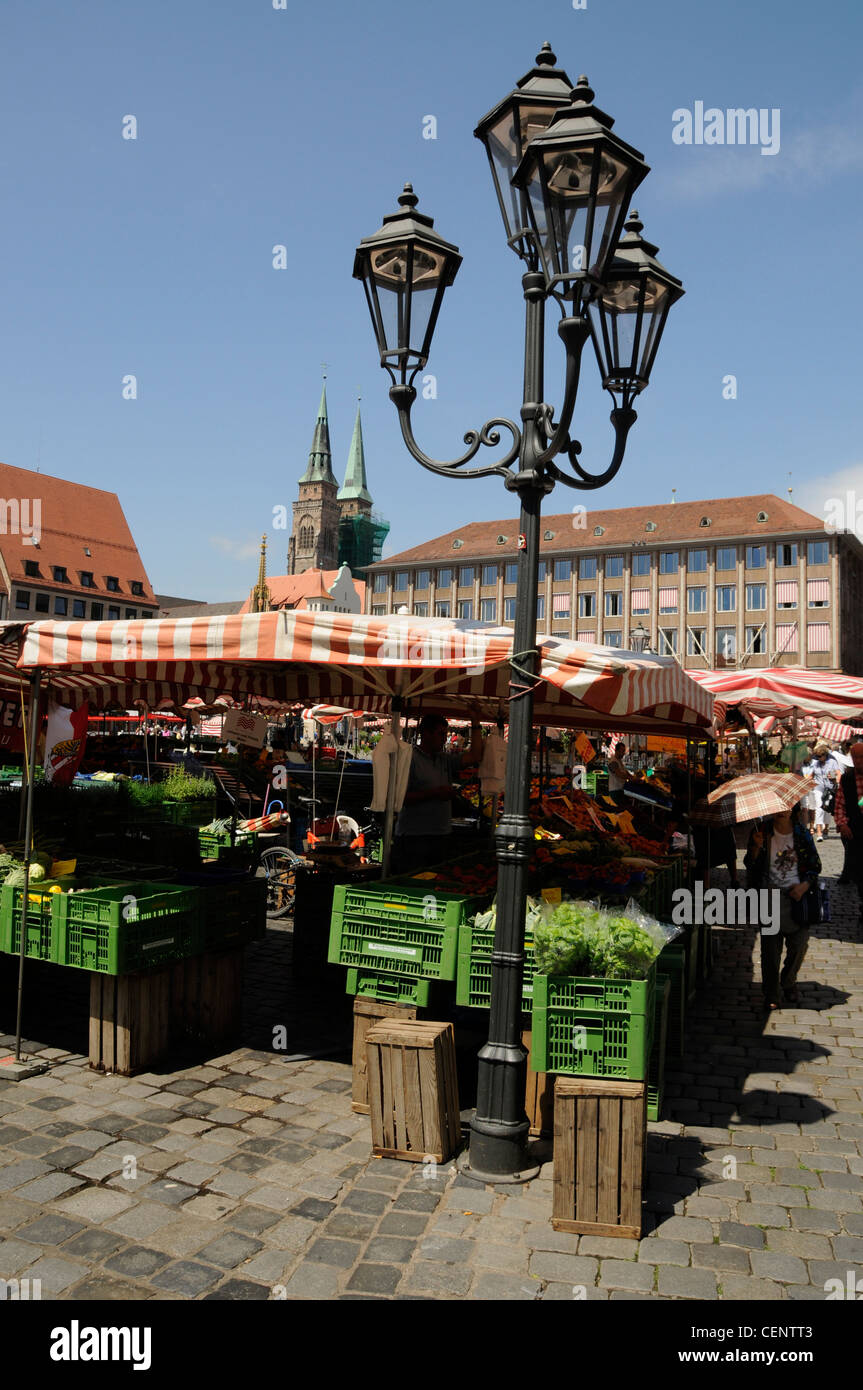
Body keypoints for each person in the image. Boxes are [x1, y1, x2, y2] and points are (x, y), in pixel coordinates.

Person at [744, 802, 821, 1010]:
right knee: (770, 951)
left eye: (788, 806)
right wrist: (756, 848)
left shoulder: (802, 834)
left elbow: (815, 866)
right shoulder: (761, 831)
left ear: (793, 810)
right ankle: (771, 993)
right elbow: (750, 867)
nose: (782, 810)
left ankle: (788, 982)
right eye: (778, 806)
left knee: (798, 946)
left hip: (798, 899)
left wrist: (804, 886)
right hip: (768, 899)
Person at [391, 713, 482, 873]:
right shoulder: (409, 758)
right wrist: (434, 794)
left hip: (441, 836)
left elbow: (474, 756)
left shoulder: (444, 759)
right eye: (441, 734)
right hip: (414, 838)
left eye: (445, 734)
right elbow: (399, 798)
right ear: (426, 734)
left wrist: (475, 721)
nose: (444, 739)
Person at [834, 740, 863, 917]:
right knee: (860, 871)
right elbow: (839, 804)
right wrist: (842, 824)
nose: (858, 761)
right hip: (856, 830)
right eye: (855, 758)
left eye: (861, 757)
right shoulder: (847, 778)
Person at [805, 741, 841, 841]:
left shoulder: (832, 762)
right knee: (819, 807)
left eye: (820, 756)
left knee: (828, 809)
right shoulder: (815, 762)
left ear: (825, 755)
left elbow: (838, 774)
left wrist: (835, 779)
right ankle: (819, 832)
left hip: (830, 788)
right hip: (818, 787)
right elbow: (811, 775)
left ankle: (826, 829)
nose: (819, 758)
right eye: (817, 756)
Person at [607, 741, 629, 809]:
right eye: (622, 751)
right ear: (616, 750)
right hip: (614, 791)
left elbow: (625, 772)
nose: (623, 753)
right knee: (616, 810)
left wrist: (633, 777)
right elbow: (619, 774)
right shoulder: (613, 761)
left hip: (620, 790)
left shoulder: (619, 761)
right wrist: (631, 778)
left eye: (624, 751)